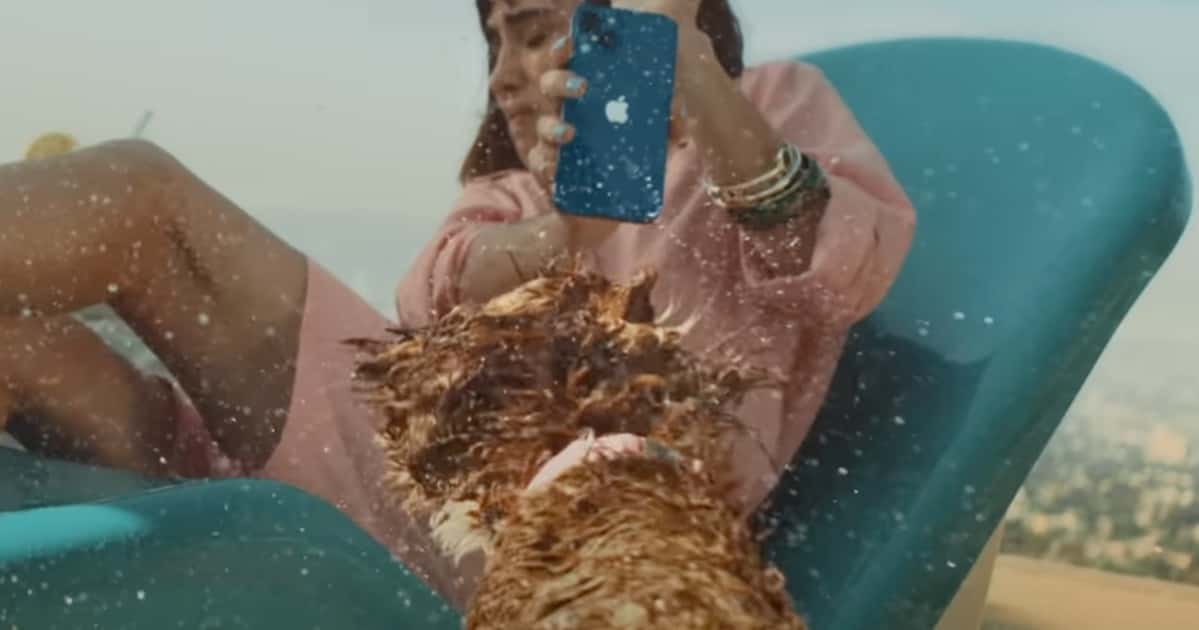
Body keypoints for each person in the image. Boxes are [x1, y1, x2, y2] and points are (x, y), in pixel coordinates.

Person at [0, 0, 913, 609]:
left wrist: (690, 73)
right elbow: (437, 291)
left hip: (550, 533)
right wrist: (565, 229)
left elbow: (835, 271)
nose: (503, 74)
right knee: (19, 337)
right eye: (495, 43)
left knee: (142, 200)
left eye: (533, 29)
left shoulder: (767, 110)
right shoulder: (512, 194)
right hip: (384, 461)